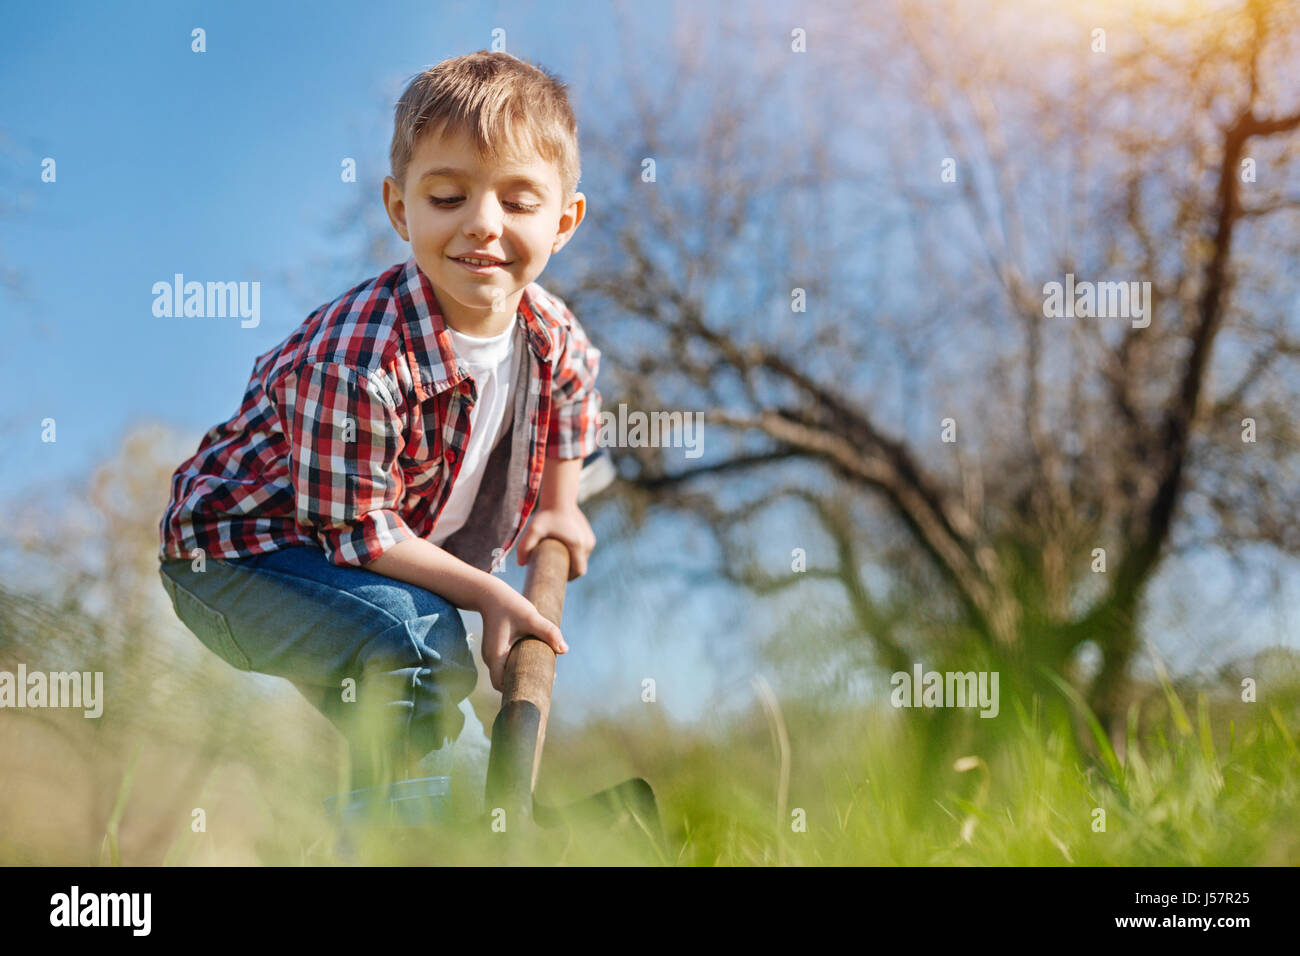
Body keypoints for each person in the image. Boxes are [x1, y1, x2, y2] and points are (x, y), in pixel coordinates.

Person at [156, 50, 601, 832]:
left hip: (342, 544)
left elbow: (575, 390)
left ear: (563, 221)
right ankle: (383, 841)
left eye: (518, 200)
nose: (483, 224)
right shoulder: (361, 360)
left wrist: (561, 508)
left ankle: (452, 831)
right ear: (401, 210)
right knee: (417, 637)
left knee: (438, 725)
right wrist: (493, 594)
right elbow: (359, 532)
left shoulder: (550, 331)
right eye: (448, 195)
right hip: (233, 559)